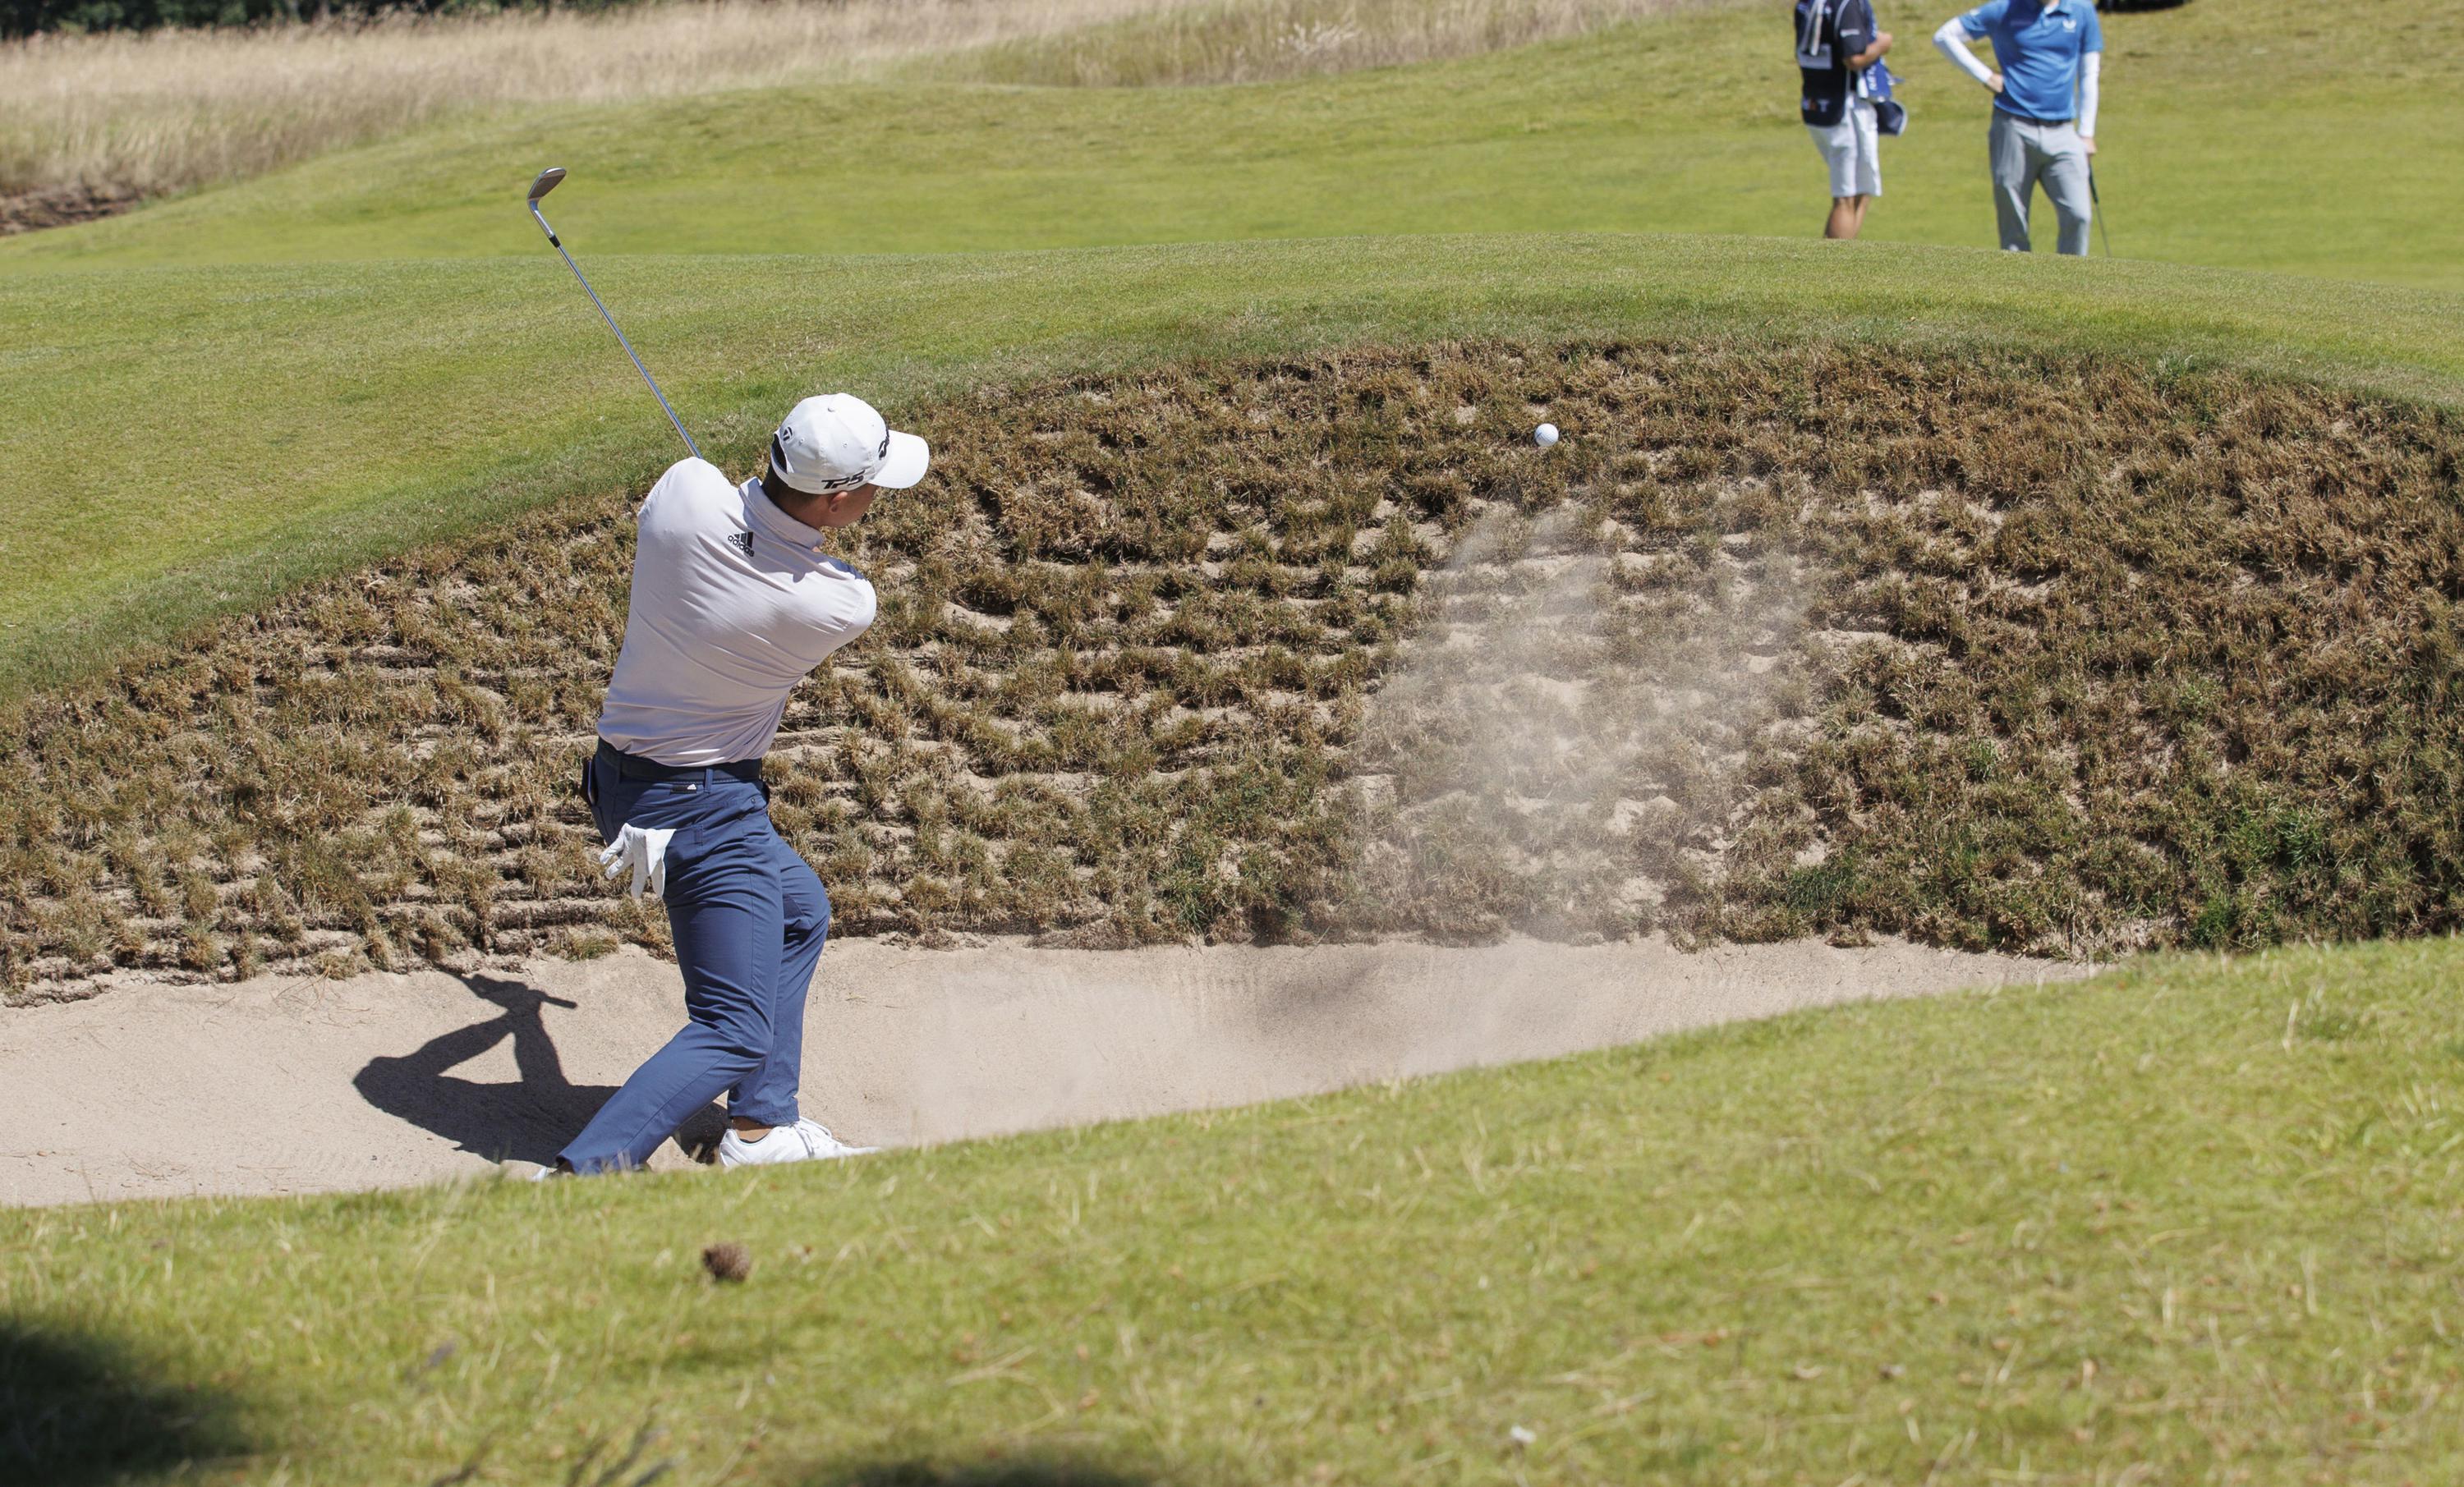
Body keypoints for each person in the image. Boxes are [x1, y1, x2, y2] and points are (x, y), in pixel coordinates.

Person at [549, 392, 930, 1176]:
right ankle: (577, 1177)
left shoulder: (684, 494)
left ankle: (761, 1128)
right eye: (872, 486)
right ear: (836, 501)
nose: (877, 497)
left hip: (620, 781)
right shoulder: (839, 602)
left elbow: (719, 498)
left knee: (799, 910)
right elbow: (797, 563)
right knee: (733, 1025)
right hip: (702, 808)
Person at [1933, 0, 2104, 255]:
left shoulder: (2081, 11)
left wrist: (2087, 133)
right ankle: (2019, 280)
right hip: (2012, 126)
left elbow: (2089, 73)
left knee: (2079, 215)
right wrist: (1985, 76)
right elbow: (1945, 36)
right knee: (2013, 223)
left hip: (2063, 129)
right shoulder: (2005, 9)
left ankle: (2071, 278)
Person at [1797, 0, 1896, 240]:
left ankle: (1842, 257)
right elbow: (1853, 58)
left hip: (1816, 103)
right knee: (1845, 198)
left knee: (1862, 191)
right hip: (1844, 109)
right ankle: (1830, 262)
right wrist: (1881, 45)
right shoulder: (1847, 4)